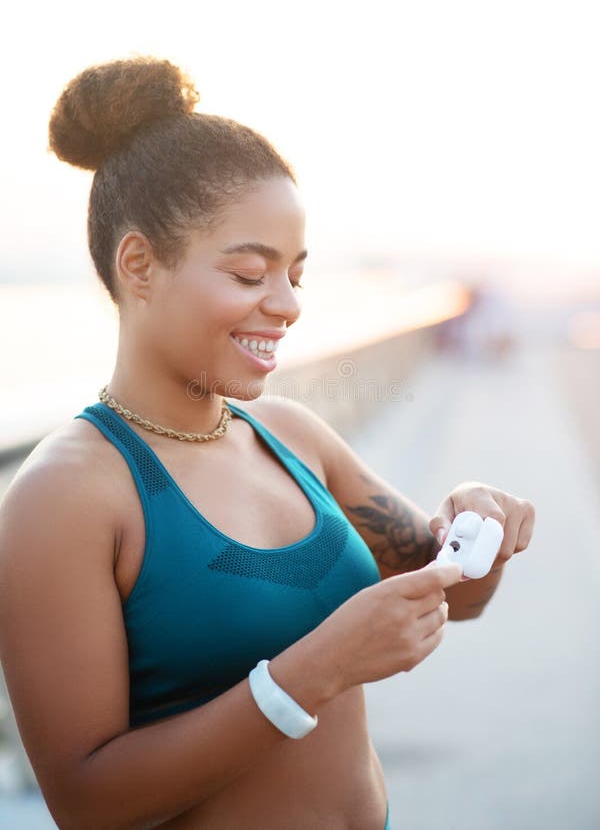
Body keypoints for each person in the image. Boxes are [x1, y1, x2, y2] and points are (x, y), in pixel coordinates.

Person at [0, 55, 500, 830]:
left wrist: (482, 524)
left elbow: (455, 595)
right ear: (139, 265)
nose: (288, 304)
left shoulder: (291, 437)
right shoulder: (64, 494)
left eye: (295, 274)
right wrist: (318, 669)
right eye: (249, 275)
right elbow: (85, 804)